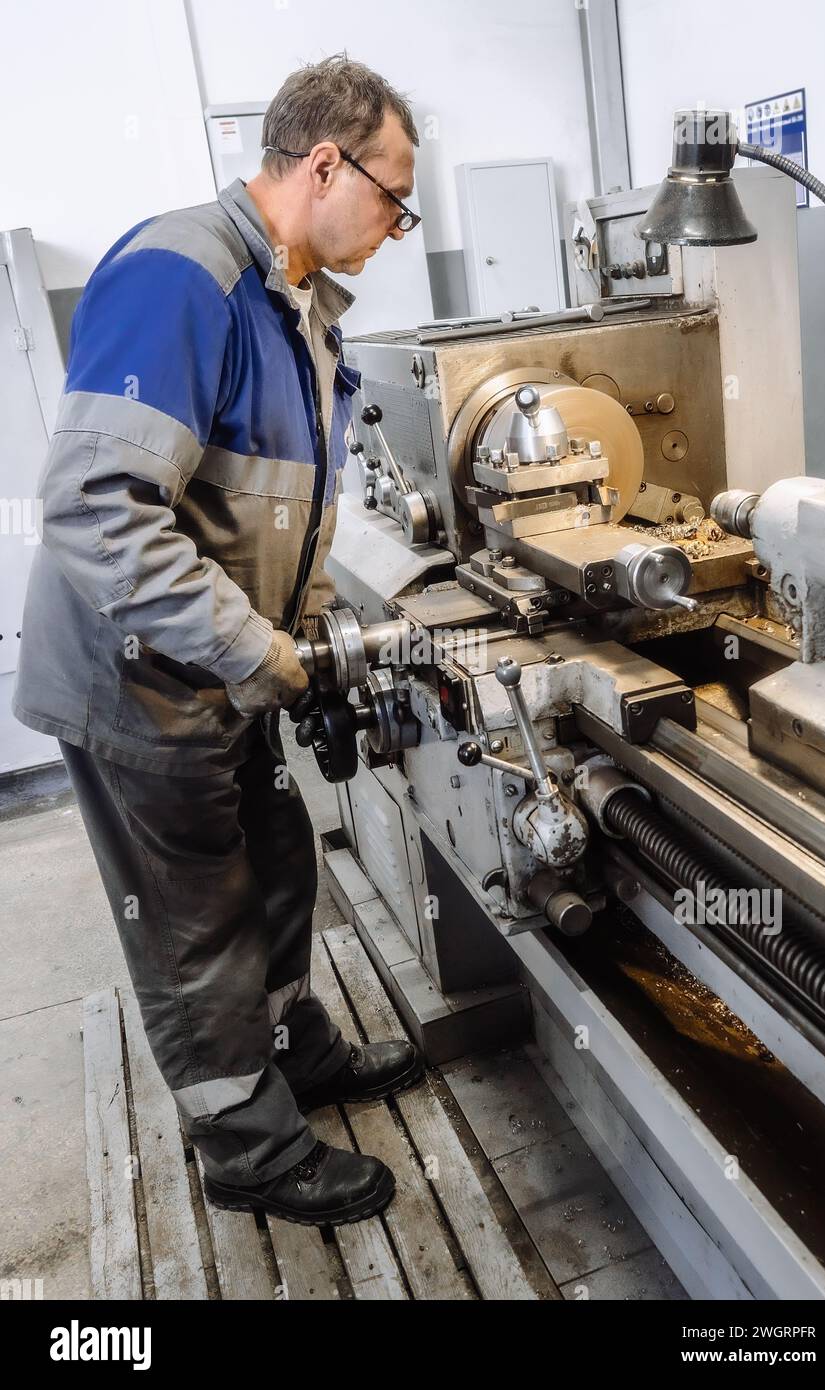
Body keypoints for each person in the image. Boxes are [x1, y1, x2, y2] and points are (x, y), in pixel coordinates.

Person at [13, 55, 425, 1227]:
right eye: (394, 199)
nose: (398, 229)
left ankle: (291, 1048)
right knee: (192, 914)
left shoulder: (296, 304)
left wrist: (285, 645)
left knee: (276, 862)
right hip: (136, 681)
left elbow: (254, 510)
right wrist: (262, 651)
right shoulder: (183, 274)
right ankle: (244, 1144)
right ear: (327, 163)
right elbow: (97, 507)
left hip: (219, 676)